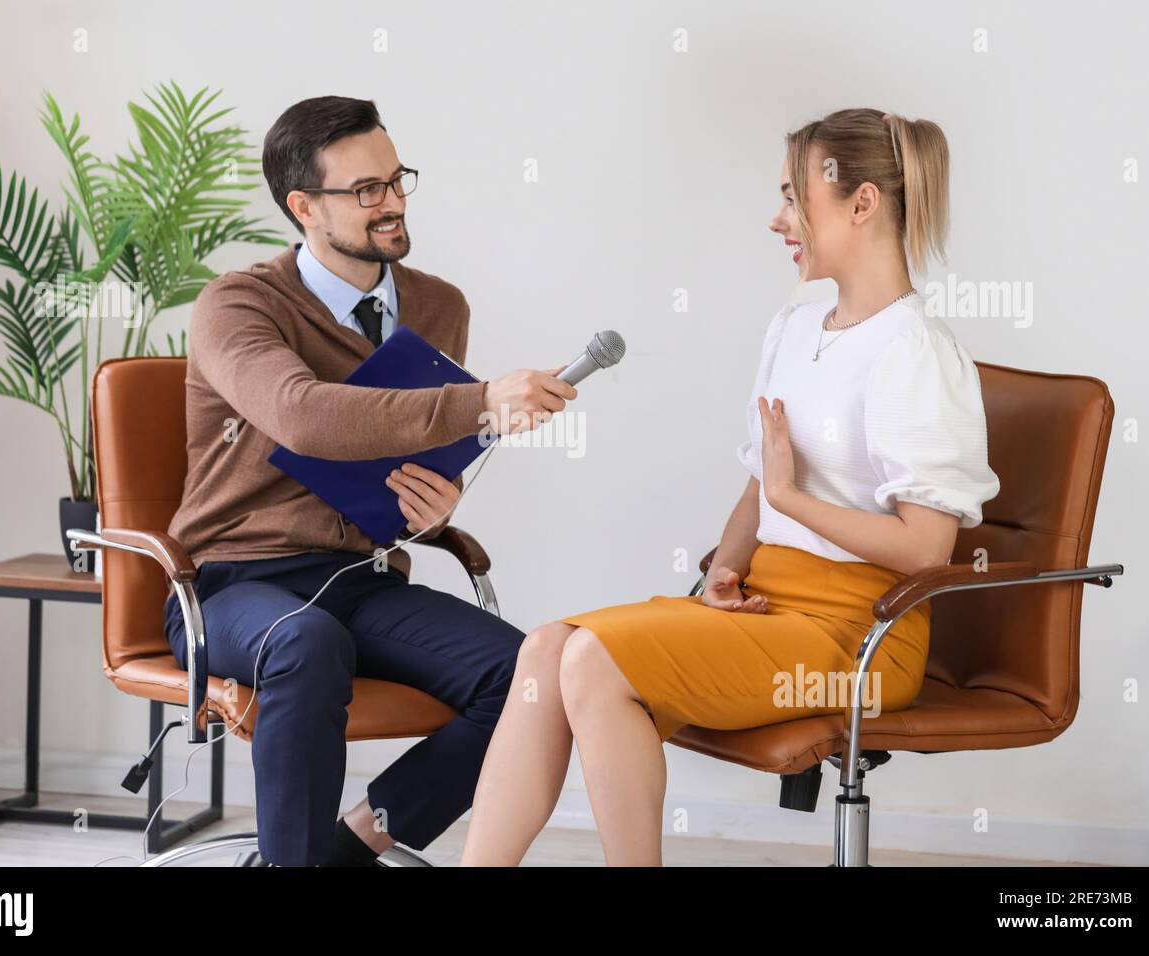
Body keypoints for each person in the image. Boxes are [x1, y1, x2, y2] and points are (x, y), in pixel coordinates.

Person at [460, 107, 1001, 866]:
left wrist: (792, 502)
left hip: (861, 634)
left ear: (862, 202)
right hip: (769, 606)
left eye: (792, 196)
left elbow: (925, 549)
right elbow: (761, 484)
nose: (778, 219)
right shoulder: (794, 327)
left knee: (589, 660)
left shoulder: (917, 352)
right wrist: (726, 569)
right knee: (548, 649)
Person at [163, 96, 576, 866]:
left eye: (395, 180)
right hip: (231, 585)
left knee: (535, 678)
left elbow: (404, 443)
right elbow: (304, 416)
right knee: (306, 642)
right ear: (303, 207)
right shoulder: (238, 303)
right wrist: (481, 399)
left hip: (361, 579)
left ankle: (347, 851)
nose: (391, 203)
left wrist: (432, 509)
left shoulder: (436, 305)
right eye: (365, 190)